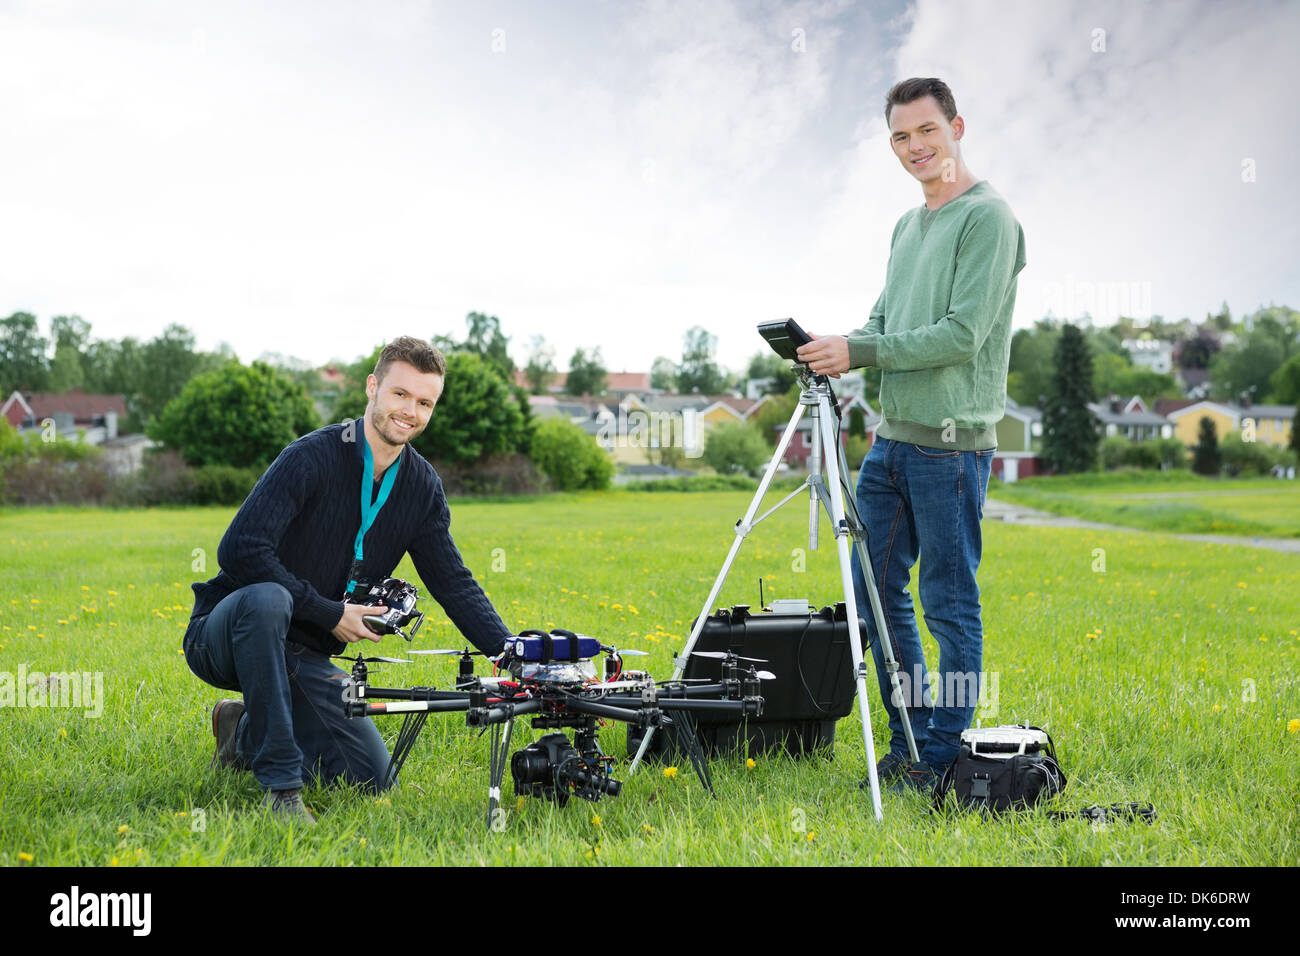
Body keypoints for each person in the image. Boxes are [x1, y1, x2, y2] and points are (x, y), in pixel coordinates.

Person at [796, 77, 1026, 794]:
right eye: (900, 136)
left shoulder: (989, 219)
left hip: (951, 448)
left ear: (957, 127)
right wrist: (834, 347)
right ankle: (909, 743)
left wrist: (861, 351)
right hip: (891, 443)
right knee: (873, 594)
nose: (915, 146)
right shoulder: (907, 226)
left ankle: (947, 754)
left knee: (949, 605)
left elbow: (961, 335)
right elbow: (883, 322)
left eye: (927, 130)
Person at [183, 336, 513, 823]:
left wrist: (512, 652)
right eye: (400, 394)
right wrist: (329, 612)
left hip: (303, 652)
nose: (411, 412)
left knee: (370, 778)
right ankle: (282, 791)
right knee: (269, 599)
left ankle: (241, 730)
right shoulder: (311, 457)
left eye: (425, 403)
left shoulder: (421, 486)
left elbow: (453, 582)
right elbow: (240, 548)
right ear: (372, 387)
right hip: (230, 632)